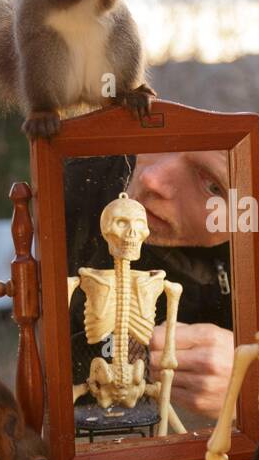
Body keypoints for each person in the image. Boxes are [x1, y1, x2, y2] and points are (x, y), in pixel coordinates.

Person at [63, 150, 237, 425]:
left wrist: (254, 389)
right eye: (160, 141)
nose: (151, 178)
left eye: (213, 187)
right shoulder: (71, 175)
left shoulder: (256, 267)